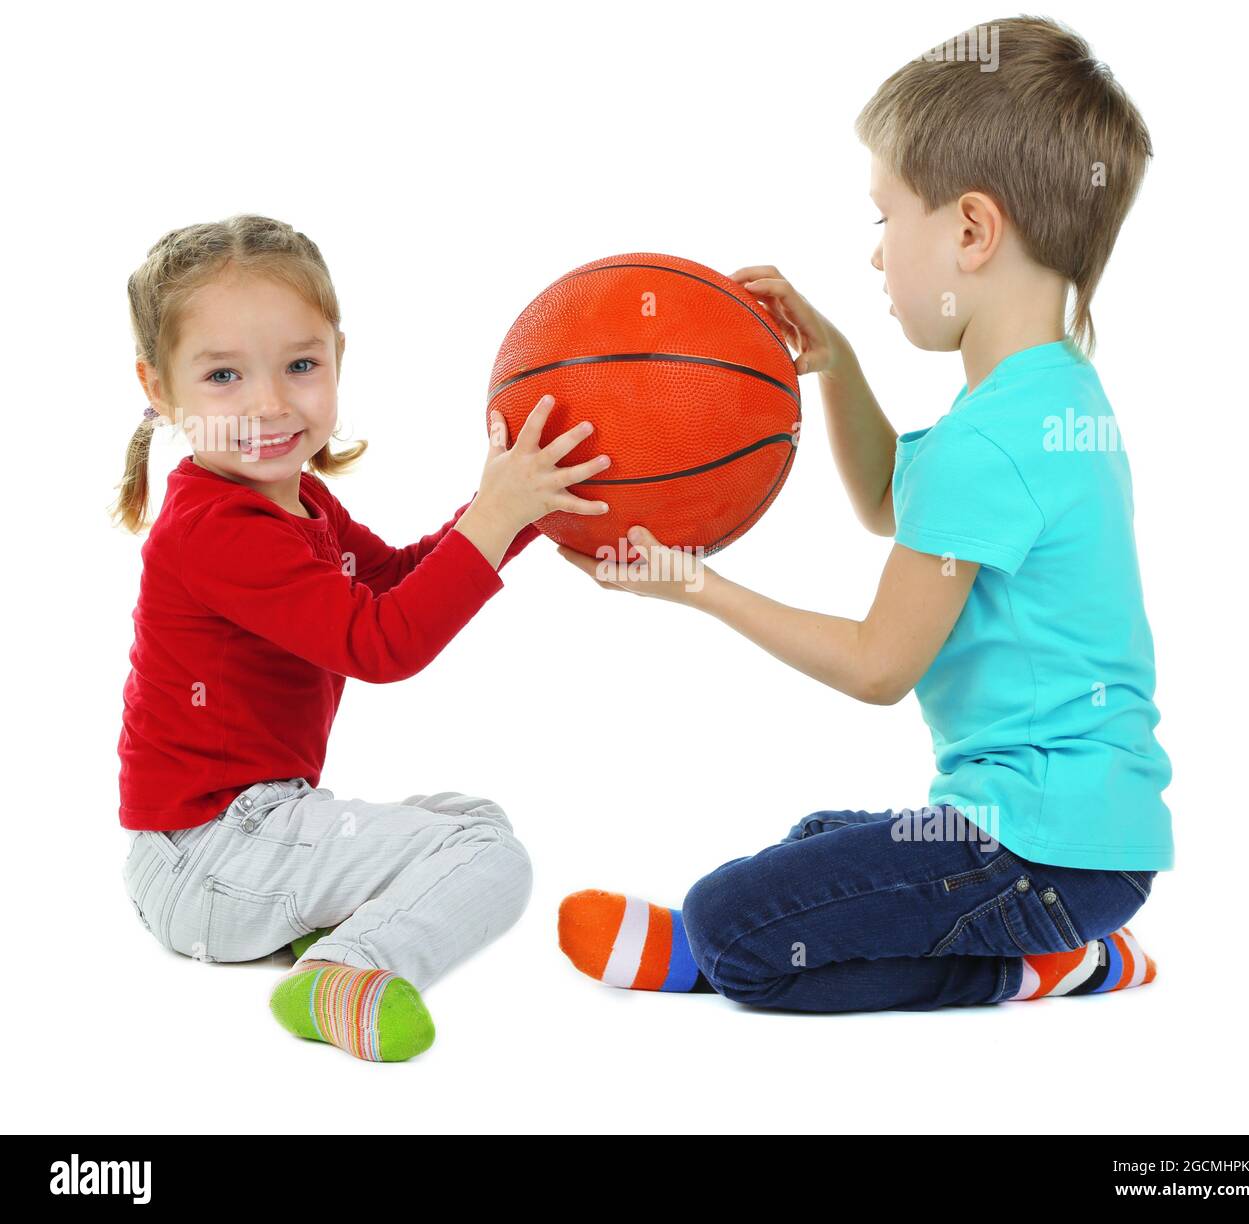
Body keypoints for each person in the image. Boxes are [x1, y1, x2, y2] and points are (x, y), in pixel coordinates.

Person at [558, 16, 1169, 1011]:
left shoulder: (992, 441)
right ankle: (1076, 948)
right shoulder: (1049, 400)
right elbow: (890, 502)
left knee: (734, 924)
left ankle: (1035, 964)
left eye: (885, 218)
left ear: (970, 231)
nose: (877, 257)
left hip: (1038, 854)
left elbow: (879, 669)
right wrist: (835, 363)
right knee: (814, 842)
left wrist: (695, 584)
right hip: (1076, 842)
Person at [115, 213, 609, 1060]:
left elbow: (393, 579)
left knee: (473, 818)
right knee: (494, 859)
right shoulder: (214, 529)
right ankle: (347, 968)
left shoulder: (295, 498)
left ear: (339, 356)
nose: (271, 404)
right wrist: (498, 518)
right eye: (224, 375)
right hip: (206, 857)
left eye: (301, 365)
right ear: (159, 390)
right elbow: (382, 643)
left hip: (249, 835)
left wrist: (522, 508)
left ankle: (325, 934)